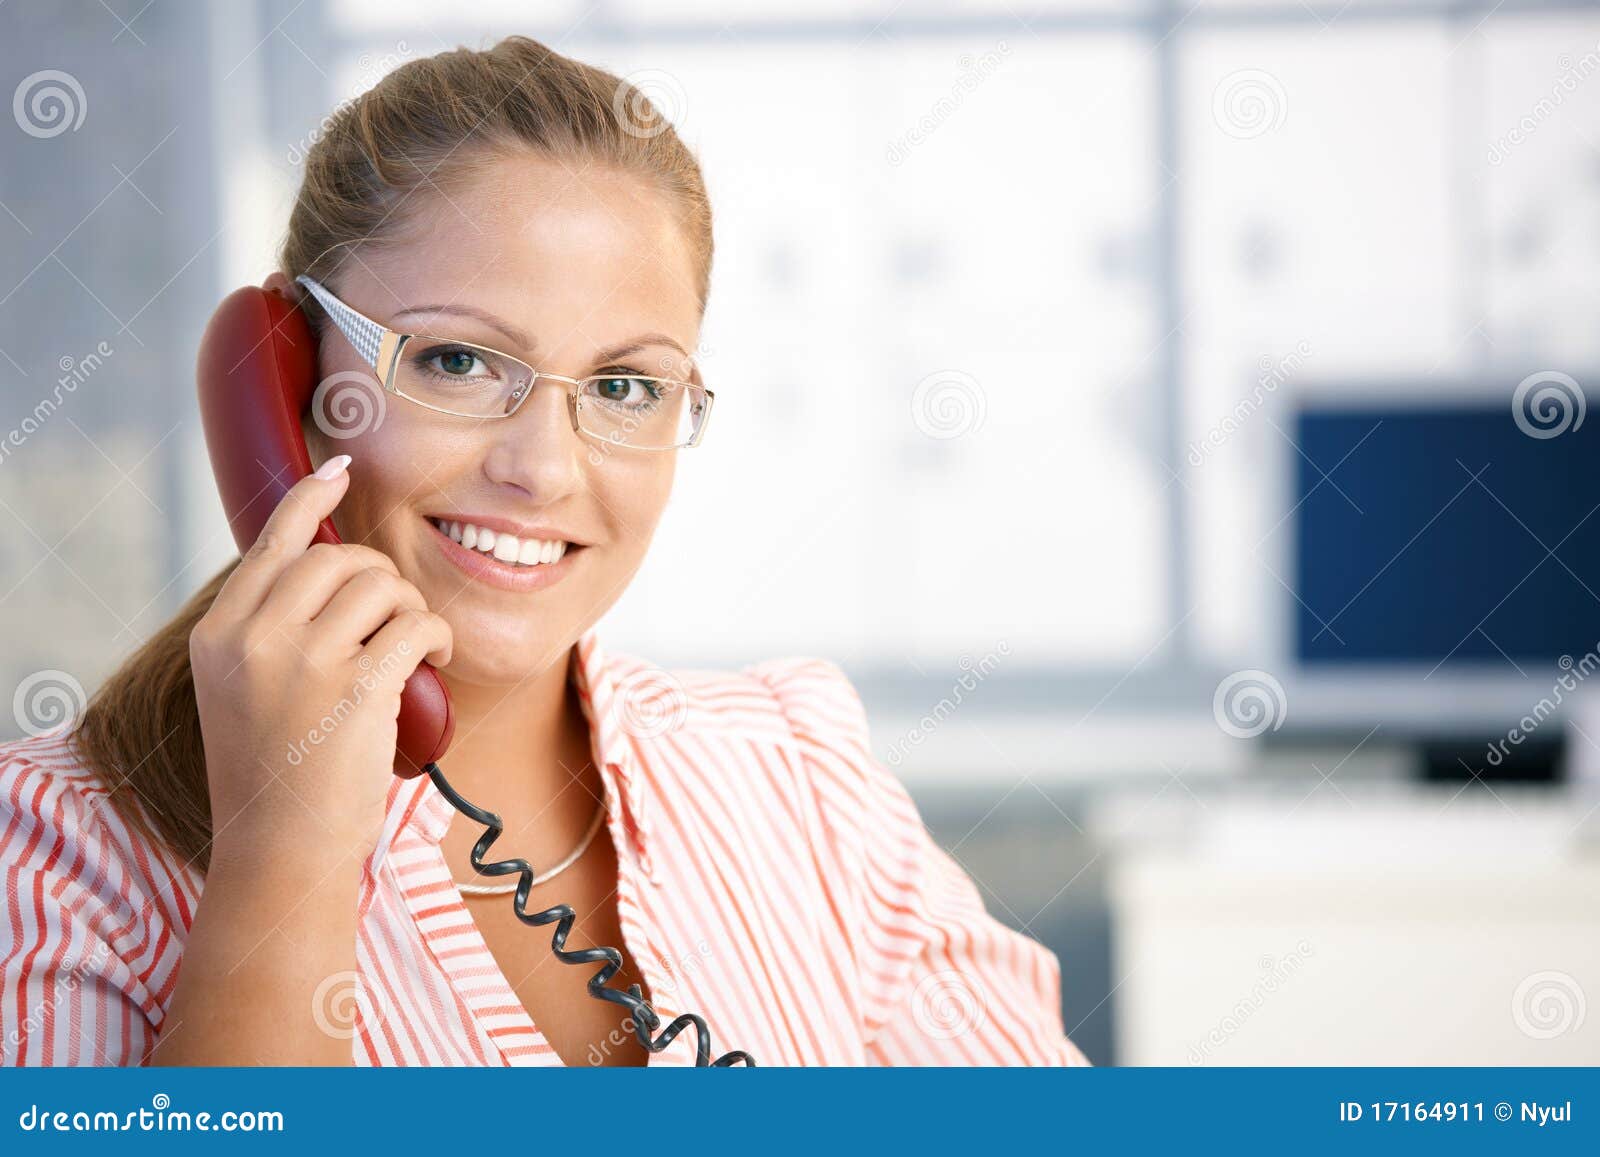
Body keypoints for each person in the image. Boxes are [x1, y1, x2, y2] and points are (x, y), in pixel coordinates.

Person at [0, 34, 1089, 1068]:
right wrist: (287, 850)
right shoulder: (52, 855)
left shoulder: (797, 774)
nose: (545, 469)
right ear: (284, 377)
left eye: (624, 387)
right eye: (459, 362)